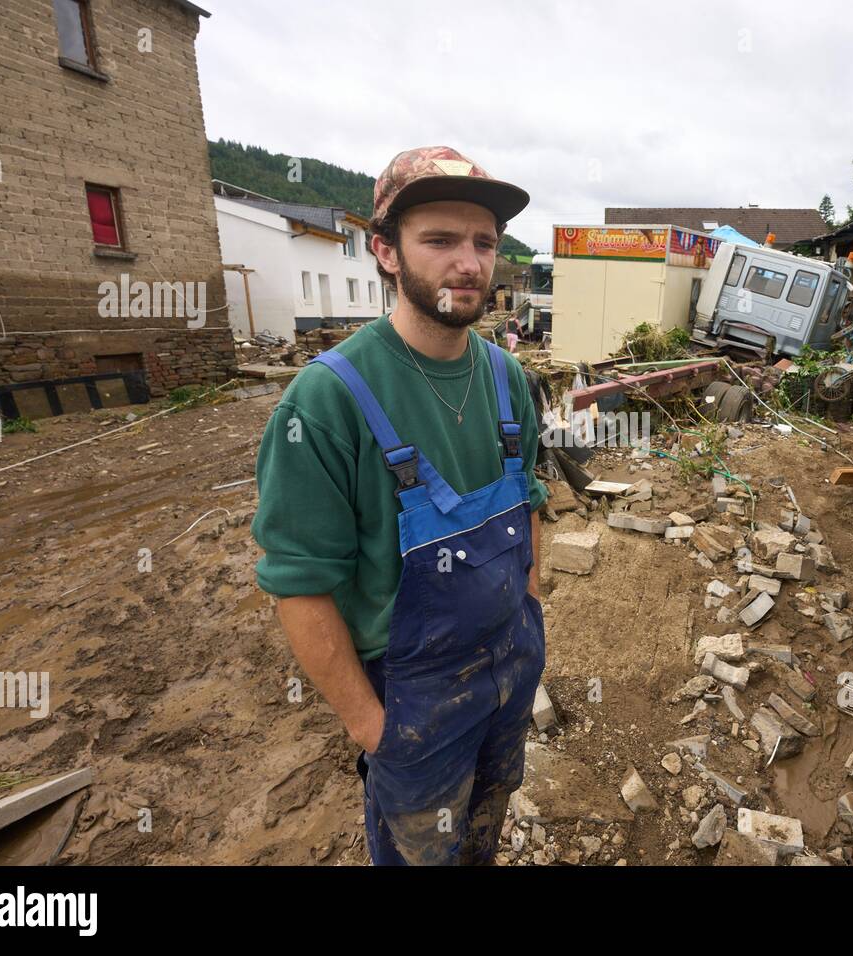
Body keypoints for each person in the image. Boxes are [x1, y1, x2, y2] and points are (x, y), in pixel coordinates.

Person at [251, 146, 547, 865]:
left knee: (484, 830)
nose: (469, 263)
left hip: (510, 671)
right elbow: (300, 584)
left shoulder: (509, 379)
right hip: (411, 704)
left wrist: (532, 616)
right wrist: (373, 728)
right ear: (385, 251)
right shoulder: (326, 402)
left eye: (483, 242)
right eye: (440, 240)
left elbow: (530, 501)